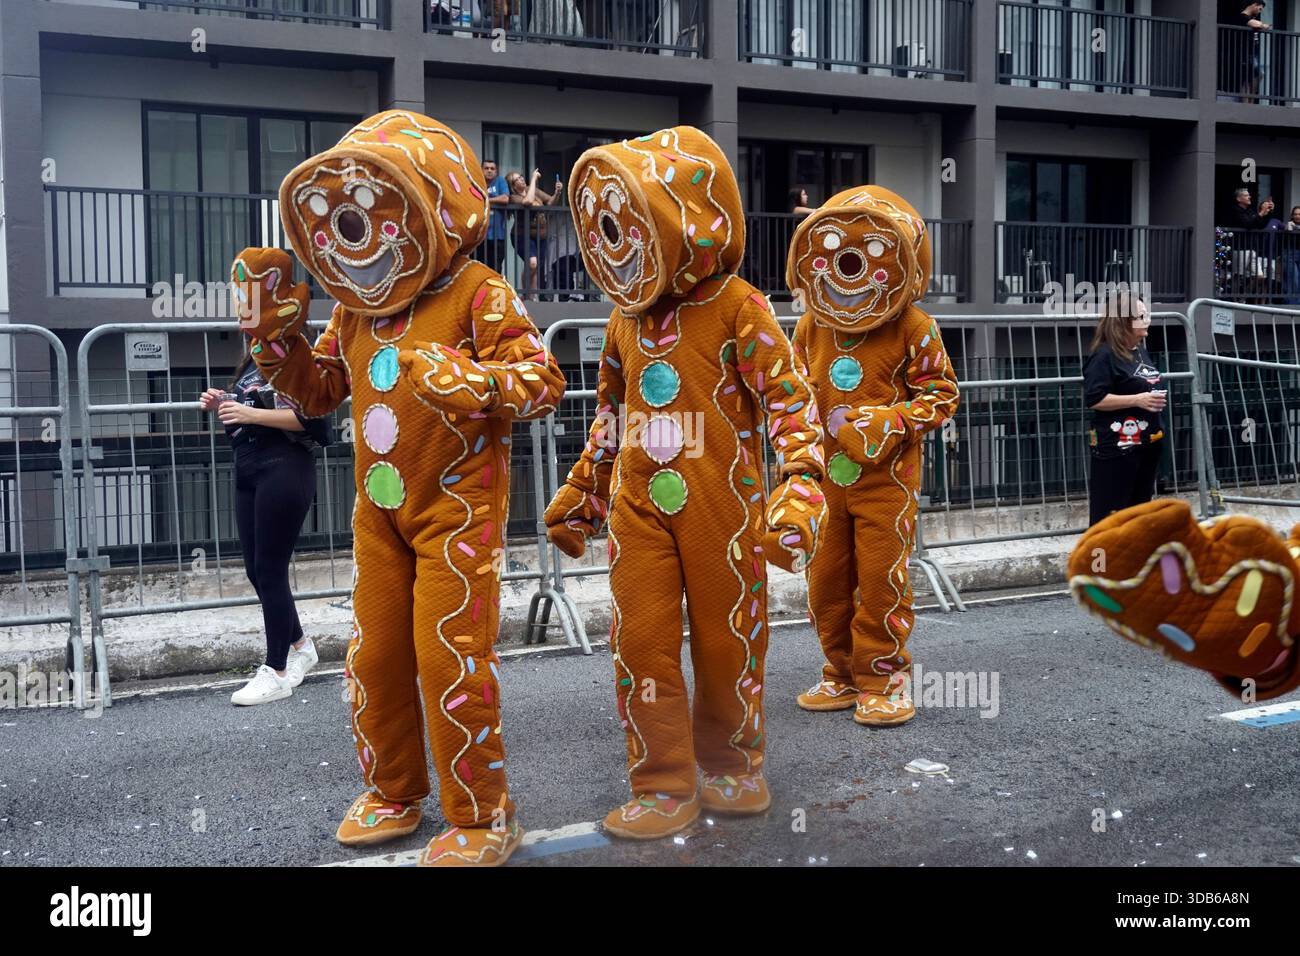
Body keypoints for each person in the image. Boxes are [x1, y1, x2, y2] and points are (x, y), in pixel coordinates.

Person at [231, 110, 565, 866]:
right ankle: (393, 789)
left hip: (460, 513)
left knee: (449, 656)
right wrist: (275, 344)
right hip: (379, 515)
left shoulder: (478, 291)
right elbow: (317, 394)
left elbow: (543, 382)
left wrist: (471, 380)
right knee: (374, 658)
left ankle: (481, 816)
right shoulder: (354, 310)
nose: (361, 239)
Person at [543, 127, 825, 839]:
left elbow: (792, 405)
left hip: (724, 511)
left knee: (729, 640)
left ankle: (733, 762)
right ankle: (663, 782)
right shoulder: (624, 317)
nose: (615, 244)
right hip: (638, 512)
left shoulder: (740, 307)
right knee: (640, 642)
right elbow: (609, 415)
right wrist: (586, 492)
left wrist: (799, 485)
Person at [787, 186, 960, 723]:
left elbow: (942, 395)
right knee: (825, 583)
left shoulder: (915, 326)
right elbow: (793, 393)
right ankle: (839, 672)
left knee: (883, 579)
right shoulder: (811, 324)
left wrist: (884, 421)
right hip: (825, 481)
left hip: (888, 480)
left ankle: (884, 678)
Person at [198, 347, 328, 706]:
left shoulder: (295, 357)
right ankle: (301, 647)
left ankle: (277, 671)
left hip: (284, 468)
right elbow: (249, 410)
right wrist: (222, 401)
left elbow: (311, 420)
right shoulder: (253, 359)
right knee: (257, 571)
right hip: (248, 469)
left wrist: (249, 413)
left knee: (270, 571)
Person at [1082, 293, 1166, 527]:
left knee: (1137, 516)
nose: (1147, 320)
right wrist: (1137, 400)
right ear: (1123, 322)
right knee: (1109, 518)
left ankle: (1131, 562)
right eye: (1141, 316)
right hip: (1117, 448)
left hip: (1147, 444)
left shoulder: (1139, 350)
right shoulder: (1104, 355)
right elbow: (1094, 398)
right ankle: (1099, 564)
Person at [506, 168, 560, 297]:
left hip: (541, 236)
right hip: (522, 236)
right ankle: (525, 293)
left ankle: (532, 296)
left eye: (521, 176)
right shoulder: (513, 197)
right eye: (517, 179)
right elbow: (528, 202)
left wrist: (557, 192)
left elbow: (551, 202)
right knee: (532, 263)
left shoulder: (533, 190)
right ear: (513, 186)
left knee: (536, 266)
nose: (521, 179)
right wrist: (534, 179)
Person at [1223, 2, 1271, 103]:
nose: (1259, 11)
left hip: (1252, 52)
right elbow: (1253, 23)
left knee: (1253, 76)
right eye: (1260, 9)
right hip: (1245, 53)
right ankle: (1247, 102)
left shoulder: (1252, 19)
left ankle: (1250, 101)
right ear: (1254, 5)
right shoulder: (1242, 16)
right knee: (1251, 76)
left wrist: (1262, 26)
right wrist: (1263, 25)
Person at [482, 159, 509, 274]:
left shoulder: (500, 181)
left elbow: (505, 198)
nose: (489, 171)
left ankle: (494, 292)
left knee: (496, 268)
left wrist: (486, 200)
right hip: (480, 236)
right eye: (486, 168)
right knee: (479, 267)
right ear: (481, 170)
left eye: (492, 169)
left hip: (498, 235)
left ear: (496, 171)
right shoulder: (477, 181)